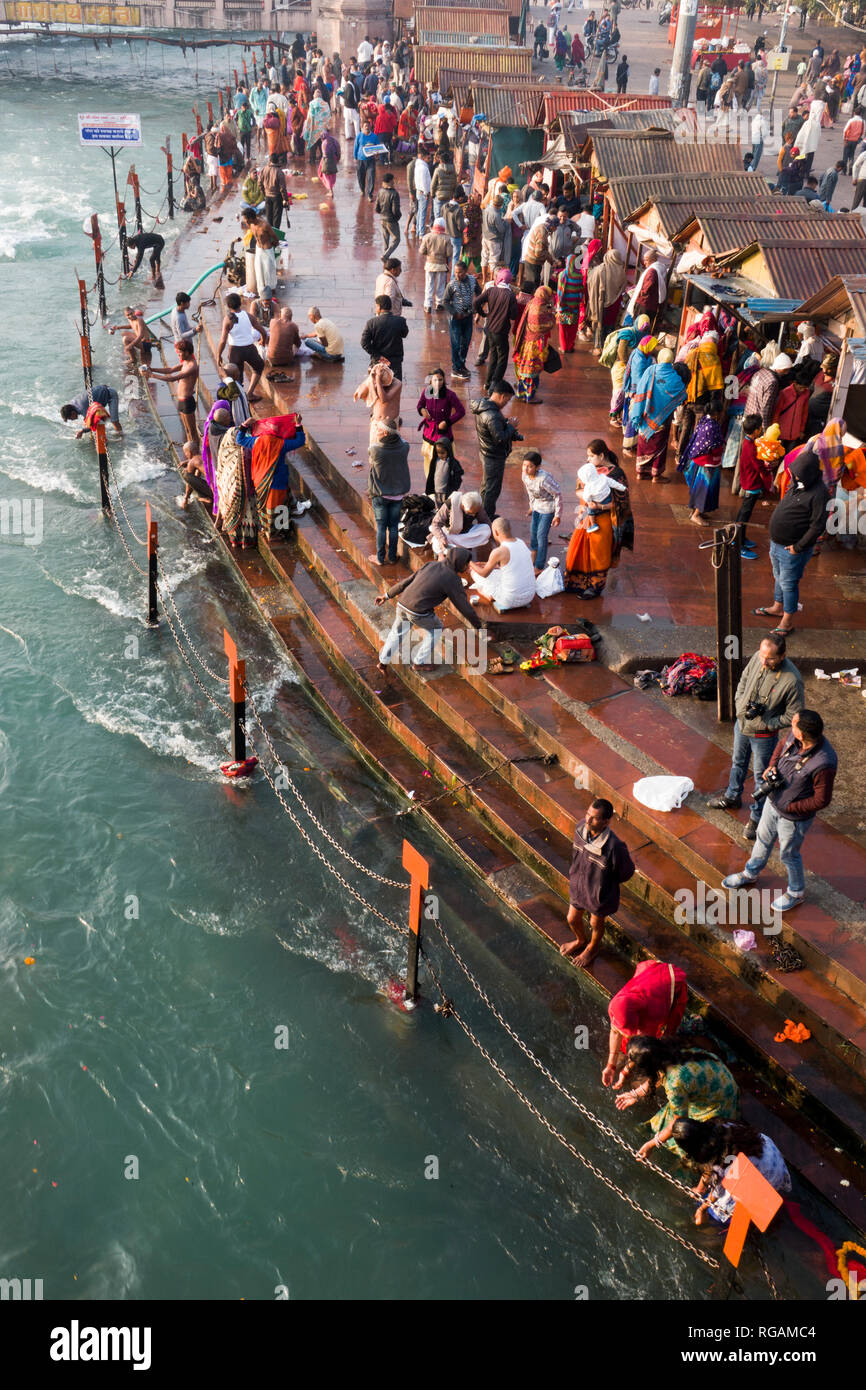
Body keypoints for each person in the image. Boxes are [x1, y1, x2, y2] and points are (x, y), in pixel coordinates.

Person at [723, 710, 837, 912]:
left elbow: (822, 800)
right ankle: (751, 873)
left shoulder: (824, 762)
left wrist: (792, 808)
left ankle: (796, 892)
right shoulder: (794, 736)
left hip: (794, 819)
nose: (790, 728)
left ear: (802, 734)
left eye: (793, 724)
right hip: (772, 801)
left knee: (788, 854)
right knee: (762, 837)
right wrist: (771, 767)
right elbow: (780, 746)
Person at [708, 635, 804, 839]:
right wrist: (740, 703)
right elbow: (743, 680)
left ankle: (757, 817)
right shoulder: (756, 658)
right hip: (742, 725)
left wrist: (768, 723)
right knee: (737, 762)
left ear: (782, 656)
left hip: (764, 735)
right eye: (762, 655)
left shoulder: (792, 680)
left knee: (763, 776)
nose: (763, 661)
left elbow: (794, 715)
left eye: (769, 659)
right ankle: (732, 796)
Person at [615, 1037, 739, 1161]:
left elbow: (678, 1123)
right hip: (725, 1083)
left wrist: (651, 1144)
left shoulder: (675, 1083)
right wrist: (636, 1093)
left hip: (717, 1107)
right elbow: (659, 1074)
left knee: (681, 1133)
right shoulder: (672, 1046)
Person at [755, 447, 828, 635]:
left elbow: (817, 526)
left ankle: (787, 621)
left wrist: (798, 547)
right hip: (777, 543)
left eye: (797, 475)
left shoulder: (819, 494)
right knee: (779, 577)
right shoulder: (798, 483)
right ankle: (777, 607)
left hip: (792, 549)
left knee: (788, 582)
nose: (794, 477)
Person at [375, 548, 483, 672]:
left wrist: (387, 595)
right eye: (466, 564)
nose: (467, 567)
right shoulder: (453, 579)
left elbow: (406, 582)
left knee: (396, 633)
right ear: (459, 563)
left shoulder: (431, 564)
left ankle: (382, 662)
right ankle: (418, 663)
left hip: (402, 604)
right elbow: (464, 606)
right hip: (418, 611)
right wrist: (478, 626)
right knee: (436, 629)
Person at [673, 1119, 791, 1227]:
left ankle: (721, 1227)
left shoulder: (720, 1163)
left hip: (763, 1182)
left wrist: (702, 1210)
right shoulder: (722, 1125)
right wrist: (700, 1188)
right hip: (771, 1158)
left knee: (714, 1211)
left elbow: (717, 1193)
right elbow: (713, 1169)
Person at [562, 799, 635, 968]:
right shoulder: (580, 828)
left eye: (594, 818)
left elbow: (626, 872)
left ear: (606, 822)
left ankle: (592, 948)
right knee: (572, 918)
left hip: (598, 893)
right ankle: (580, 940)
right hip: (578, 886)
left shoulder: (614, 846)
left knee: (595, 923)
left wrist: (604, 883)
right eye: (588, 814)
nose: (588, 820)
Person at [602, 961, 688, 1087]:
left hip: (670, 983)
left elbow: (642, 1046)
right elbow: (615, 1031)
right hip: (648, 978)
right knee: (628, 1041)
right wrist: (611, 1065)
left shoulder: (653, 1014)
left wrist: (626, 1071)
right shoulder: (617, 1004)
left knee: (666, 1038)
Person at [564, 454, 629, 597]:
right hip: (586, 519)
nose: (588, 459)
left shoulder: (615, 475)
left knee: (598, 555)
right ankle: (577, 582)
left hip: (604, 521)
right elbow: (579, 491)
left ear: (601, 455)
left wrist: (599, 505)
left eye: (591, 456)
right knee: (578, 549)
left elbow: (619, 503)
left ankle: (595, 587)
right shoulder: (589, 472)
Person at [629, 347, 689, 481]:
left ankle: (641, 472)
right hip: (662, 418)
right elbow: (682, 395)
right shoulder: (675, 378)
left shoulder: (651, 370)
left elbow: (641, 388)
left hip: (645, 415)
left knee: (643, 442)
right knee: (659, 447)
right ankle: (656, 475)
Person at [471, 382, 522, 518]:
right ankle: (486, 517)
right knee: (492, 489)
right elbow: (500, 438)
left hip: (487, 452)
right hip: (493, 456)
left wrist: (506, 425)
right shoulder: (491, 415)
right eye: (508, 399)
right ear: (502, 396)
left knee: (486, 485)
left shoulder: (485, 406)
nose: (507, 403)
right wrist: (511, 427)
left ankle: (481, 512)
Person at [468, 515, 537, 613]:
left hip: (509, 600)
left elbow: (484, 574)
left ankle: (487, 594)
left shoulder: (499, 551)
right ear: (510, 529)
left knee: (474, 574)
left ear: (495, 532)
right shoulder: (521, 542)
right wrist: (488, 564)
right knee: (497, 573)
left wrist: (470, 563)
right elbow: (512, 564)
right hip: (529, 596)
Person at [367, 418, 410, 567]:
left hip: (380, 494)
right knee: (393, 527)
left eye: (378, 429)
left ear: (385, 432)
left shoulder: (375, 450)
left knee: (381, 527)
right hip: (397, 495)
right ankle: (392, 557)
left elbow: (371, 456)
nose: (376, 431)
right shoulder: (405, 447)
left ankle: (380, 558)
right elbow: (403, 441)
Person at [144, 338, 200, 449]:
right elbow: (170, 370)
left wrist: (152, 375)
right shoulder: (185, 362)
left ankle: (196, 455)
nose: (178, 355)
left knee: (193, 432)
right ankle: (190, 453)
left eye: (180, 352)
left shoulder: (192, 366)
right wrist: (152, 369)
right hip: (181, 400)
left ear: (187, 352)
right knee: (187, 430)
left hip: (187, 401)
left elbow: (173, 378)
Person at [474, 269, 521, 392]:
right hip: (501, 331)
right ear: (509, 281)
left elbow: (476, 302)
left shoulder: (491, 290)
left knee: (493, 356)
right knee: (502, 358)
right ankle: (495, 383)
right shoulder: (510, 295)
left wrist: (483, 314)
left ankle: (488, 383)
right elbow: (513, 316)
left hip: (489, 328)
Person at [217, 291, 268, 403]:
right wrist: (263, 341)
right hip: (249, 349)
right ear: (240, 303)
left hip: (235, 351)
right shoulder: (248, 316)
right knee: (259, 366)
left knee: (236, 376)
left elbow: (222, 341)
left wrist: (219, 355)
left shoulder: (227, 319)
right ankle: (249, 393)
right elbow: (263, 331)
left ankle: (239, 399)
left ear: (228, 306)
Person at [512, 285, 556, 404]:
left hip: (526, 341)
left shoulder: (532, 302)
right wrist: (552, 316)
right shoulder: (540, 306)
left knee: (524, 368)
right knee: (532, 370)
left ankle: (521, 393)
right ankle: (530, 396)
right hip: (535, 344)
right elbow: (544, 324)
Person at [416, 368, 465, 472]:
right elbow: (420, 405)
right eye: (435, 380)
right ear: (430, 381)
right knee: (429, 464)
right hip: (429, 434)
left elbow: (461, 411)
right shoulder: (426, 392)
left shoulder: (450, 395)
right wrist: (422, 410)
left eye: (440, 379)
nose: (438, 383)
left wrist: (447, 422)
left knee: (443, 466)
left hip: (444, 435)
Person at [682, 406, 725, 526]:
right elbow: (713, 445)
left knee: (699, 488)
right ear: (716, 413)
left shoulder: (704, 421)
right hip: (708, 461)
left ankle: (698, 511)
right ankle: (696, 514)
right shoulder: (712, 426)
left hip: (700, 459)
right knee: (704, 489)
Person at [521, 450, 562, 570]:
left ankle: (539, 565)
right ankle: (533, 554)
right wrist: (531, 506)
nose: (526, 469)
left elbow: (557, 494)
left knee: (541, 536)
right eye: (524, 465)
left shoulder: (544, 479)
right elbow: (530, 492)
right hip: (537, 507)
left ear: (538, 467)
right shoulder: (525, 476)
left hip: (548, 508)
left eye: (530, 466)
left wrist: (557, 515)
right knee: (533, 533)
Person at [354, 357, 402, 446]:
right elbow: (359, 395)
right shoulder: (373, 381)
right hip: (376, 422)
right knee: (374, 449)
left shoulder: (397, 383)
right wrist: (370, 380)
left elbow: (384, 399)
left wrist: (378, 380)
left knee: (388, 450)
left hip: (390, 424)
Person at [587, 247, 626, 354]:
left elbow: (591, 282)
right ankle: (609, 348)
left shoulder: (601, 270)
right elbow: (623, 287)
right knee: (610, 326)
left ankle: (598, 347)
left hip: (602, 304)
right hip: (615, 304)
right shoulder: (621, 271)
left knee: (599, 324)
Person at [443, 260, 477, 381]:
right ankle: (456, 368)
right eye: (456, 272)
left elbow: (480, 293)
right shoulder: (451, 285)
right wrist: (455, 313)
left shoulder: (473, 280)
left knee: (466, 343)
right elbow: (445, 301)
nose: (457, 275)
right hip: (456, 319)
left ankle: (461, 364)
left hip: (468, 317)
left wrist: (476, 307)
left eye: (460, 272)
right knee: (456, 343)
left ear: (466, 271)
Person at [360, 294, 408, 377]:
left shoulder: (371, 323)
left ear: (379, 307)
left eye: (376, 306)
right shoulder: (400, 321)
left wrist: (378, 356)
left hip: (378, 361)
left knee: (377, 385)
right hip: (395, 362)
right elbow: (404, 334)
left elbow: (364, 343)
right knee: (395, 386)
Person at [419, 217, 453, 314]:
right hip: (441, 265)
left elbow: (422, 251)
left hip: (430, 264)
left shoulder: (427, 237)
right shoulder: (447, 238)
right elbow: (449, 253)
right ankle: (439, 303)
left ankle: (428, 305)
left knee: (429, 285)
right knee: (440, 285)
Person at [554, 248, 583, 354]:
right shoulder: (579, 276)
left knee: (563, 327)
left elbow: (559, 292)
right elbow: (581, 291)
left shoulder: (562, 275)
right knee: (572, 327)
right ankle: (570, 346)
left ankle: (563, 347)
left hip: (563, 306)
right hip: (574, 307)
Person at [177, 439, 213, 511]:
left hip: (214, 492)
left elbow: (189, 483)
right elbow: (198, 470)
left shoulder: (192, 462)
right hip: (220, 488)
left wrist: (186, 498)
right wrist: (187, 461)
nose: (186, 455)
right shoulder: (203, 456)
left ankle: (206, 498)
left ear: (189, 452)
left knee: (186, 474)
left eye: (185, 453)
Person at [266, 305, 301, 378]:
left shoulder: (272, 322)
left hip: (271, 358)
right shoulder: (294, 326)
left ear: (281, 315)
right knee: (296, 346)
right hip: (287, 360)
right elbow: (298, 343)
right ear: (291, 317)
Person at [375, 171, 401, 259]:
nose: (394, 182)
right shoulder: (394, 193)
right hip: (391, 220)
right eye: (393, 180)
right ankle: (386, 255)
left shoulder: (380, 191)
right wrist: (398, 217)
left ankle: (385, 253)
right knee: (396, 239)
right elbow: (395, 210)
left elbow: (377, 208)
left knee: (385, 239)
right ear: (390, 181)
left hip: (382, 218)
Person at [353, 119, 379, 200]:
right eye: (365, 126)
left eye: (368, 126)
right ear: (362, 128)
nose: (367, 127)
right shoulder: (359, 136)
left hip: (371, 160)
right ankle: (362, 189)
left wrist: (377, 154)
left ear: (370, 127)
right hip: (361, 159)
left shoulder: (374, 136)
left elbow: (378, 146)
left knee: (371, 176)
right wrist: (355, 157)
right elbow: (355, 147)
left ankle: (370, 194)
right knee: (360, 176)